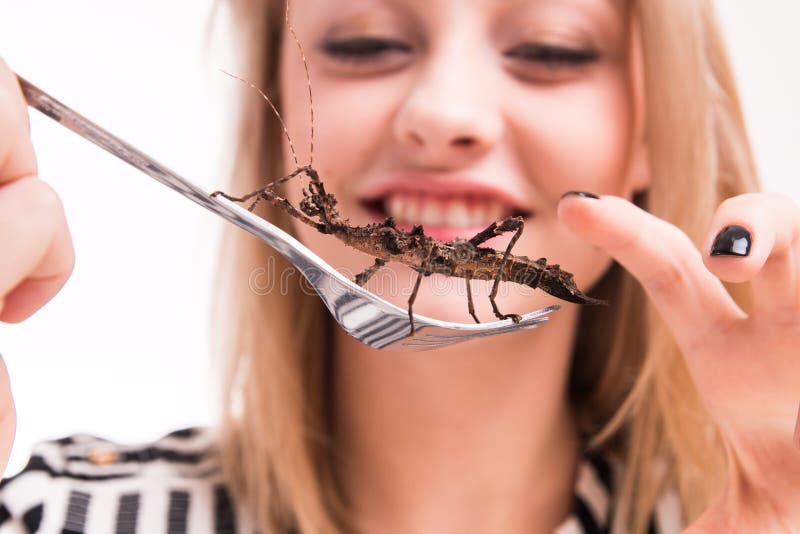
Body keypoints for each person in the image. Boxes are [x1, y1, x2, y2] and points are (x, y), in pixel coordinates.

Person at [0, 0, 798, 532]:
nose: (443, 112)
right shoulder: (55, 513)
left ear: (655, 128)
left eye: (549, 50)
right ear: (273, 118)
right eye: (365, 43)